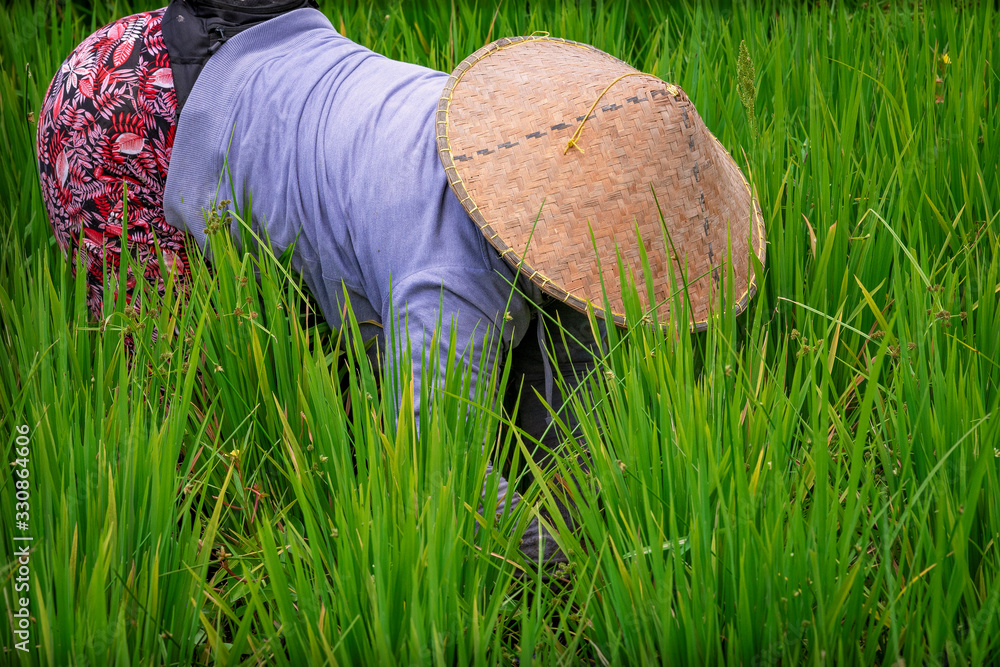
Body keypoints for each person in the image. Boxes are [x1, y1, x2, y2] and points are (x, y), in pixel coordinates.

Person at [37, 2, 764, 565]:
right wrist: (564, 567)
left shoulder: (575, 203)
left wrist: (594, 514)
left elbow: (568, 394)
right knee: (192, 400)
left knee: (349, 364)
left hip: (261, 51)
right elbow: (437, 462)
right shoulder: (454, 275)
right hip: (124, 117)